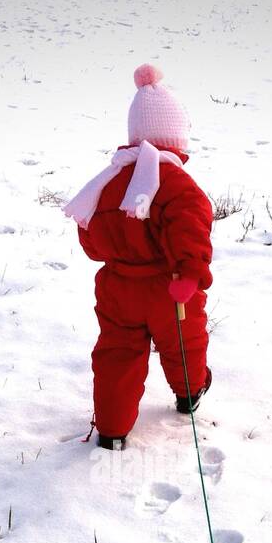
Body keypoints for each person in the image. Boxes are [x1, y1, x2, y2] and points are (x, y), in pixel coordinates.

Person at [64, 64, 213, 451]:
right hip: (169, 289)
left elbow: (91, 241)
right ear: (175, 137)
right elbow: (190, 228)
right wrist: (189, 273)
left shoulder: (108, 180)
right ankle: (189, 393)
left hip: (117, 288)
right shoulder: (177, 183)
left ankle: (112, 430)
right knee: (184, 341)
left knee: (117, 354)